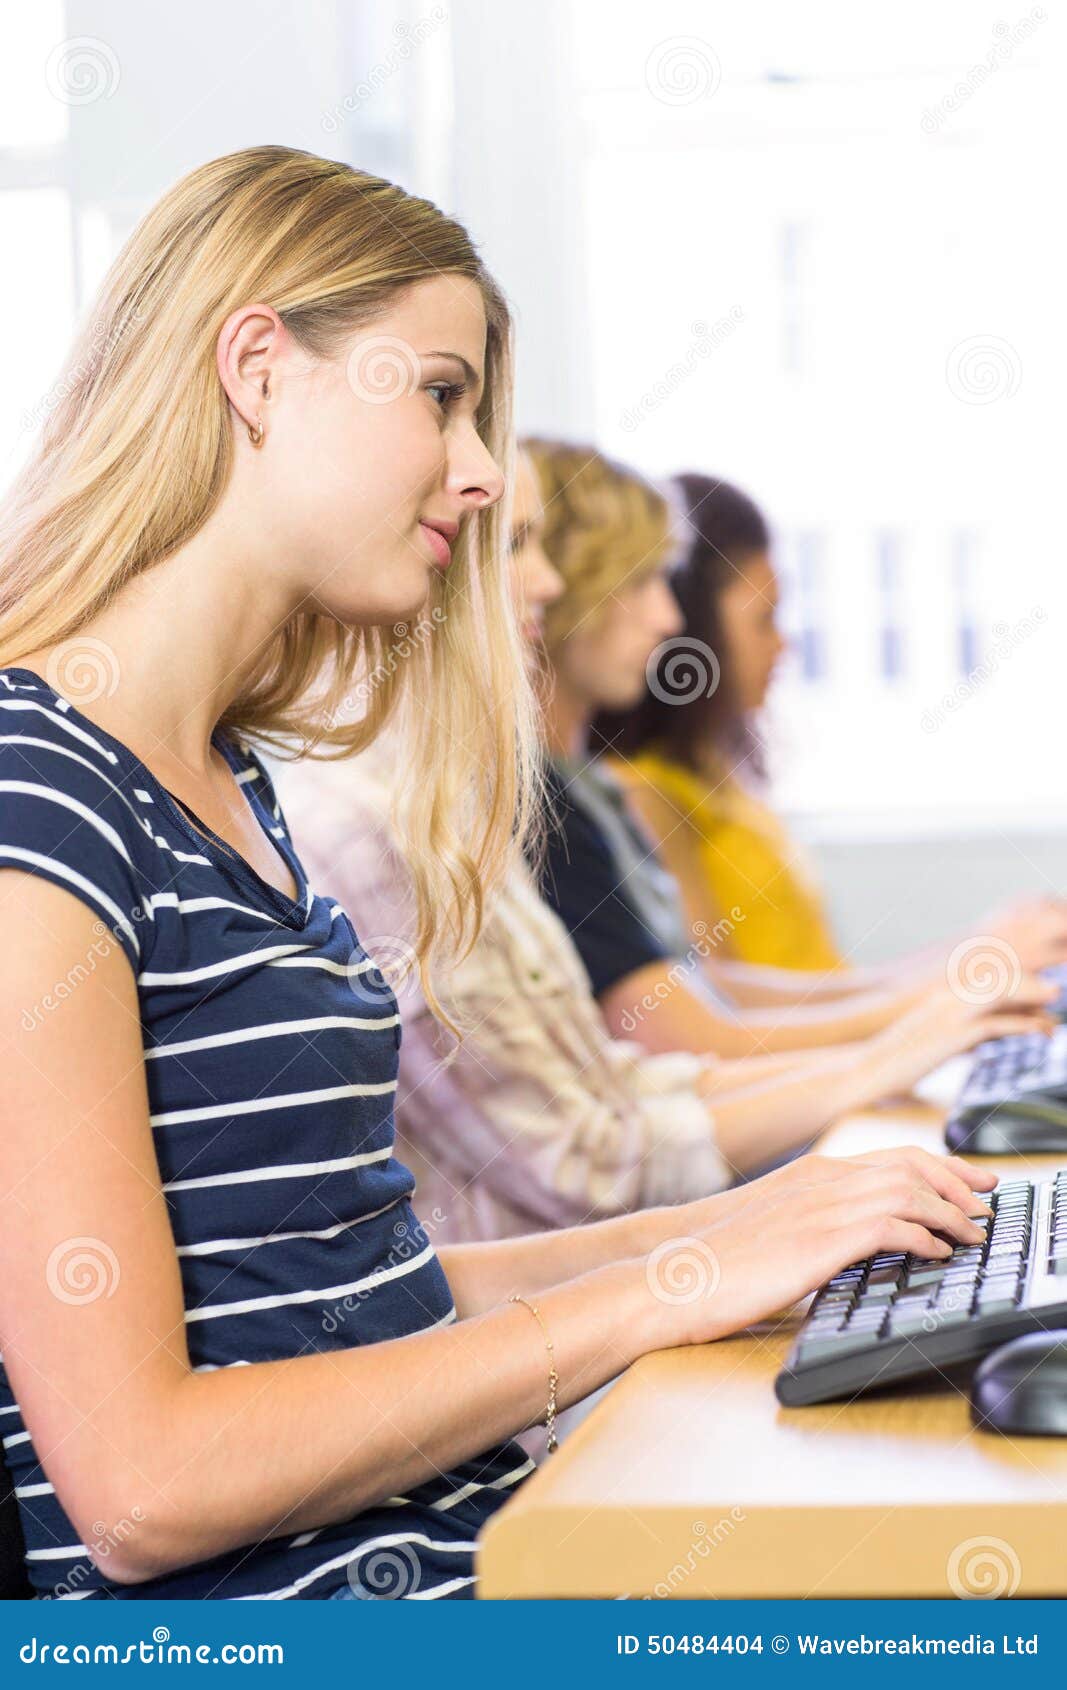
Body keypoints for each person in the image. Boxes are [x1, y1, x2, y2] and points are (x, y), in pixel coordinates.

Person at [0, 146, 1026, 1604]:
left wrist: (728, 1238)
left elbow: (361, 1307)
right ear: (257, 368)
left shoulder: (225, 783)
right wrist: (651, 1293)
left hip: (469, 1552)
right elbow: (145, 1487)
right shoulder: (36, 789)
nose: (480, 471)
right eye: (440, 393)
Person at [286, 458, 1057, 1229]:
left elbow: (633, 1077)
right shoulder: (443, 812)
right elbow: (644, 1084)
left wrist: (929, 1013)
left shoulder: (496, 802)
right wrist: (907, 1027)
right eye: (519, 545)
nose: (666, 618)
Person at [524, 437, 1067, 1065]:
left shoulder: (595, 792)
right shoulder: (578, 802)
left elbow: (712, 990)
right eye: (639, 582)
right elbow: (696, 1036)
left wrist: (961, 971)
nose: (668, 619)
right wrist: (948, 996)